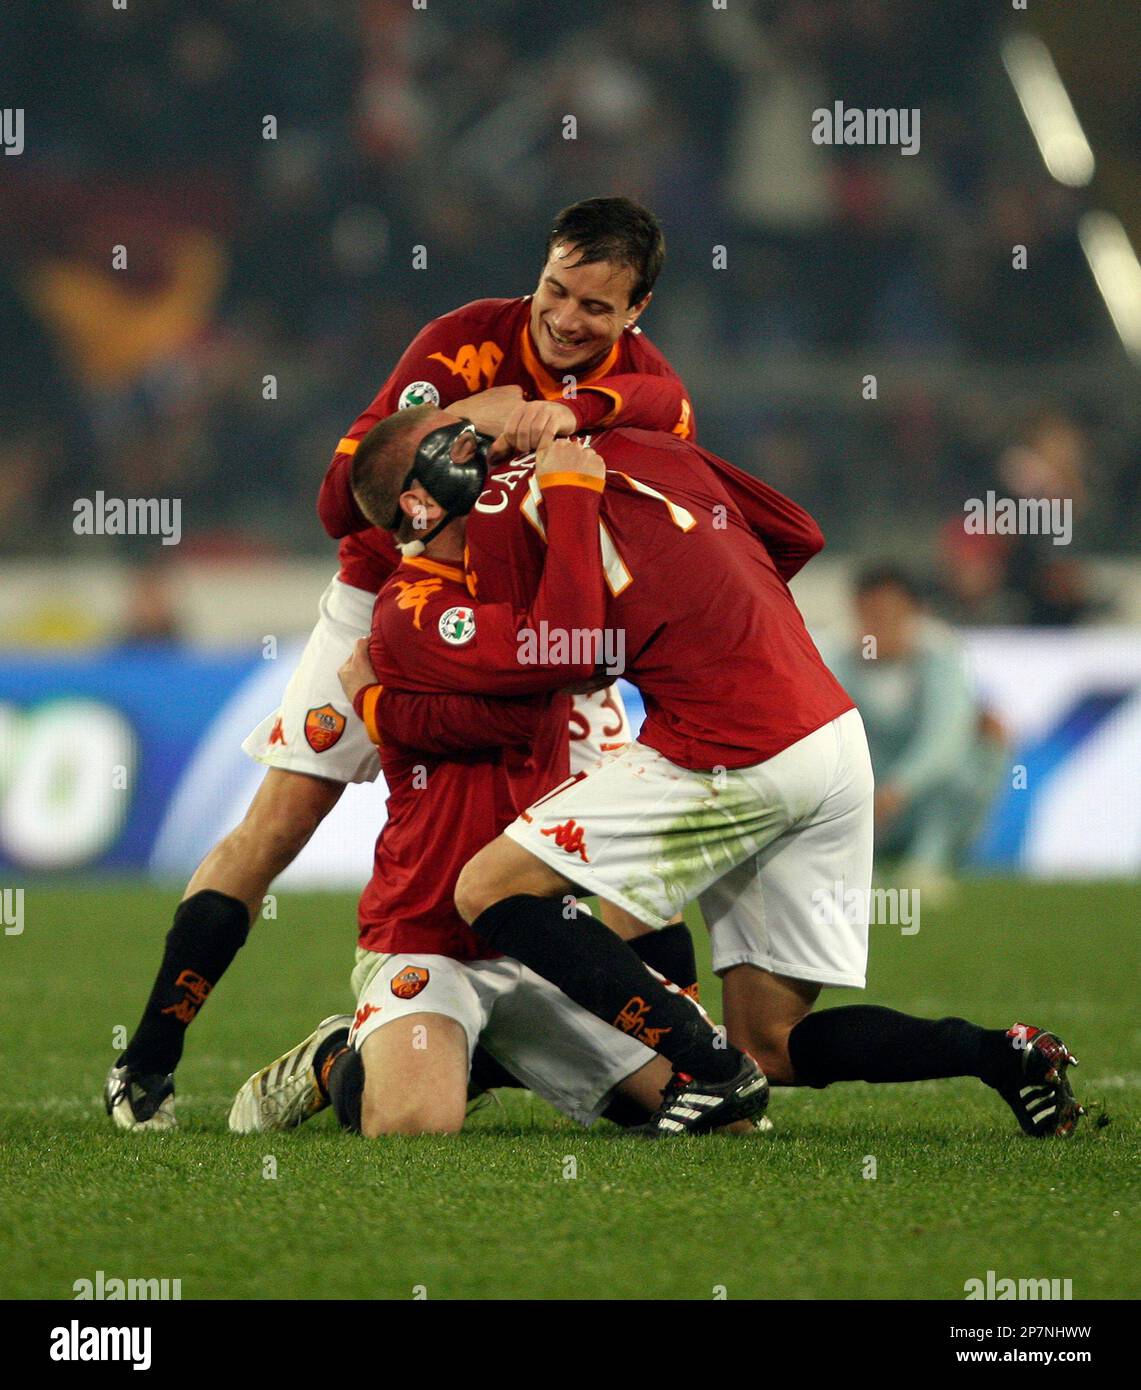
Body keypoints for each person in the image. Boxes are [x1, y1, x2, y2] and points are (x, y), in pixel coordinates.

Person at [106, 197, 696, 1130]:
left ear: (637, 310)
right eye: (554, 288)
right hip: (384, 608)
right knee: (277, 827)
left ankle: (416, 1052)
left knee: (619, 857)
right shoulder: (460, 344)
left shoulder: (651, 390)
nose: (564, 317)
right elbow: (340, 502)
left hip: (523, 639)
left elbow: (648, 524)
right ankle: (145, 1068)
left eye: (594, 305)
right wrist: (470, 418)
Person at [348, 406, 1084, 1140]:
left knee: (489, 887)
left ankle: (706, 1071)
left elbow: (564, 656)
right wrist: (714, 615)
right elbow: (798, 535)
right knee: (772, 1039)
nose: (482, 429)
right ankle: (1003, 1055)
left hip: (732, 739)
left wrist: (377, 707)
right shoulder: (650, 444)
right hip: (827, 734)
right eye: (457, 428)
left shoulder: (512, 502)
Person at [229, 437, 721, 1137]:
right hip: (429, 933)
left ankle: (475, 1051)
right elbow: (567, 656)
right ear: (420, 501)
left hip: (539, 930)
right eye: (454, 450)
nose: (483, 459)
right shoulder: (414, 606)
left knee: (717, 1113)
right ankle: (337, 1058)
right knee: (414, 1129)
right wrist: (574, 501)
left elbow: (587, 647)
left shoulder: (514, 581)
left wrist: (382, 709)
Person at [825, 564, 1008, 891]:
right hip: (862, 794)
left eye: (893, 615)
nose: (881, 627)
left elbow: (946, 737)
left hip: (917, 798)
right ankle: (855, 864)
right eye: (872, 615)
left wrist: (900, 787)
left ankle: (927, 864)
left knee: (984, 748)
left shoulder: (941, 653)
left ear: (915, 614)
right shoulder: (832, 657)